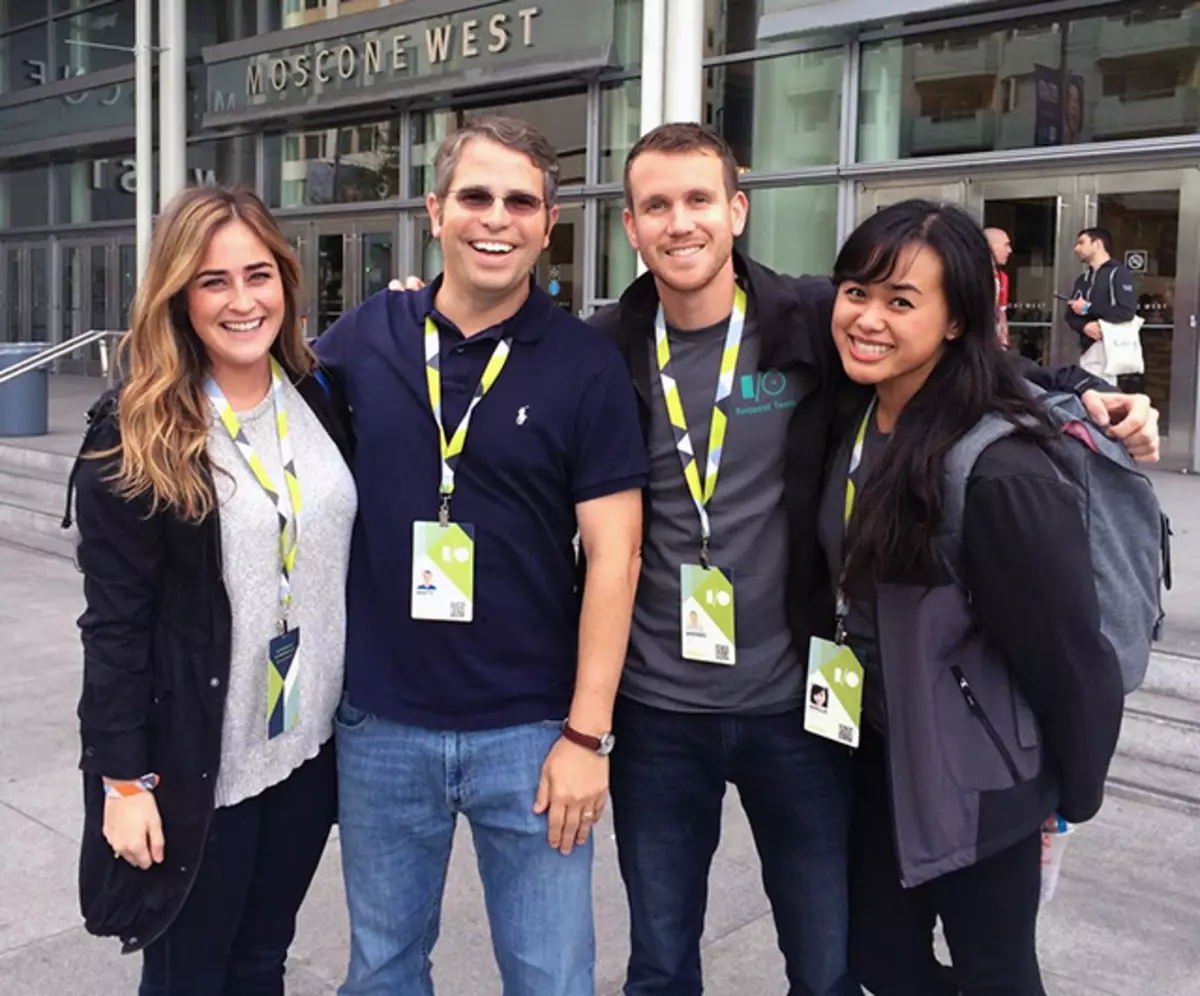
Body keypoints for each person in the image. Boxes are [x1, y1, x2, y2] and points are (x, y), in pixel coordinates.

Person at [388, 123, 1160, 996]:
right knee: (662, 960)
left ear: (737, 211)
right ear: (631, 229)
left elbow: (939, 351)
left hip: (797, 707)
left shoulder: (811, 318)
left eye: (699, 200)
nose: (680, 223)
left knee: (829, 964)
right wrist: (417, 303)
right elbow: (485, 352)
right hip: (655, 716)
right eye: (656, 206)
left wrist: (1085, 392)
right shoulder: (599, 350)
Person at [315, 116, 646, 996]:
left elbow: (617, 558)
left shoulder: (585, 364)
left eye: (519, 202)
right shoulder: (363, 338)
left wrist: (587, 734)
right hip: (382, 725)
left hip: (533, 734)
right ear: (435, 211)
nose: (494, 219)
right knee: (381, 971)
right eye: (475, 196)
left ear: (547, 223)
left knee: (551, 978)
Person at [820, 199, 1124, 995]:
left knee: (996, 975)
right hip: (872, 758)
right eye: (856, 291)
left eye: (900, 301)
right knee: (877, 961)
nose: (868, 318)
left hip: (980, 784)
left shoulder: (999, 471)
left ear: (957, 321)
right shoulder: (853, 415)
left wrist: (1067, 794)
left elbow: (1068, 655)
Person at [71, 186, 357, 993]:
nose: (242, 301)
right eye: (213, 281)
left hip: (304, 752)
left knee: (261, 962)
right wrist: (120, 783)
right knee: (190, 978)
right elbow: (116, 628)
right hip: (201, 769)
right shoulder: (138, 434)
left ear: (287, 283)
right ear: (178, 296)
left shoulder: (321, 395)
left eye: (258, 275)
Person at [1066, 227, 1140, 387]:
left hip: (1110, 346)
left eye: (1081, 243)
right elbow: (1070, 314)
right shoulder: (1083, 279)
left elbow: (1126, 311)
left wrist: (1088, 309)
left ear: (1097, 244)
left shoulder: (1119, 273)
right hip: (1088, 348)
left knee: (1102, 395)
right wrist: (1085, 326)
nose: (1076, 248)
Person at [983, 227, 1012, 348]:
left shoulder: (1002, 278)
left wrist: (1004, 339)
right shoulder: (972, 274)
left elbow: (1001, 311)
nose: (1009, 250)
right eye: (1006, 245)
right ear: (991, 247)